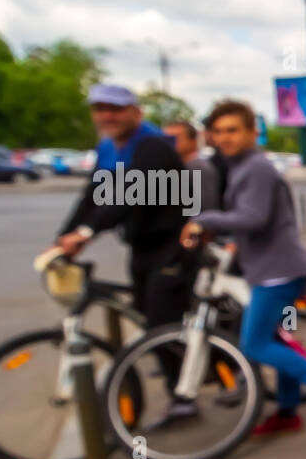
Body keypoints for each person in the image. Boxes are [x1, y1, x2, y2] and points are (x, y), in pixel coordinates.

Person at [179, 99, 306, 434]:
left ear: (253, 133)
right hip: (274, 267)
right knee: (278, 339)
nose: (225, 138)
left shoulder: (255, 168)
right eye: (218, 132)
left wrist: (202, 221)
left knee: (254, 344)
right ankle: (287, 413)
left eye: (233, 130)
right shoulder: (244, 166)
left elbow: (253, 217)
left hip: (278, 272)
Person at [54, 84, 199, 422]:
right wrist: (62, 237)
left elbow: (130, 194)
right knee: (148, 318)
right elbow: (93, 195)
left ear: (136, 112)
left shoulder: (152, 146)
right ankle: (184, 376)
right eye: (100, 109)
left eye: (116, 109)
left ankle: (186, 394)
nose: (108, 116)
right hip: (141, 248)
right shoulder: (108, 148)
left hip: (172, 248)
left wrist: (86, 233)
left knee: (163, 323)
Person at [162, 120, 221, 213]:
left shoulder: (197, 167)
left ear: (193, 140)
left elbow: (206, 209)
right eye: (166, 138)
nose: (169, 143)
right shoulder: (175, 166)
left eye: (175, 138)